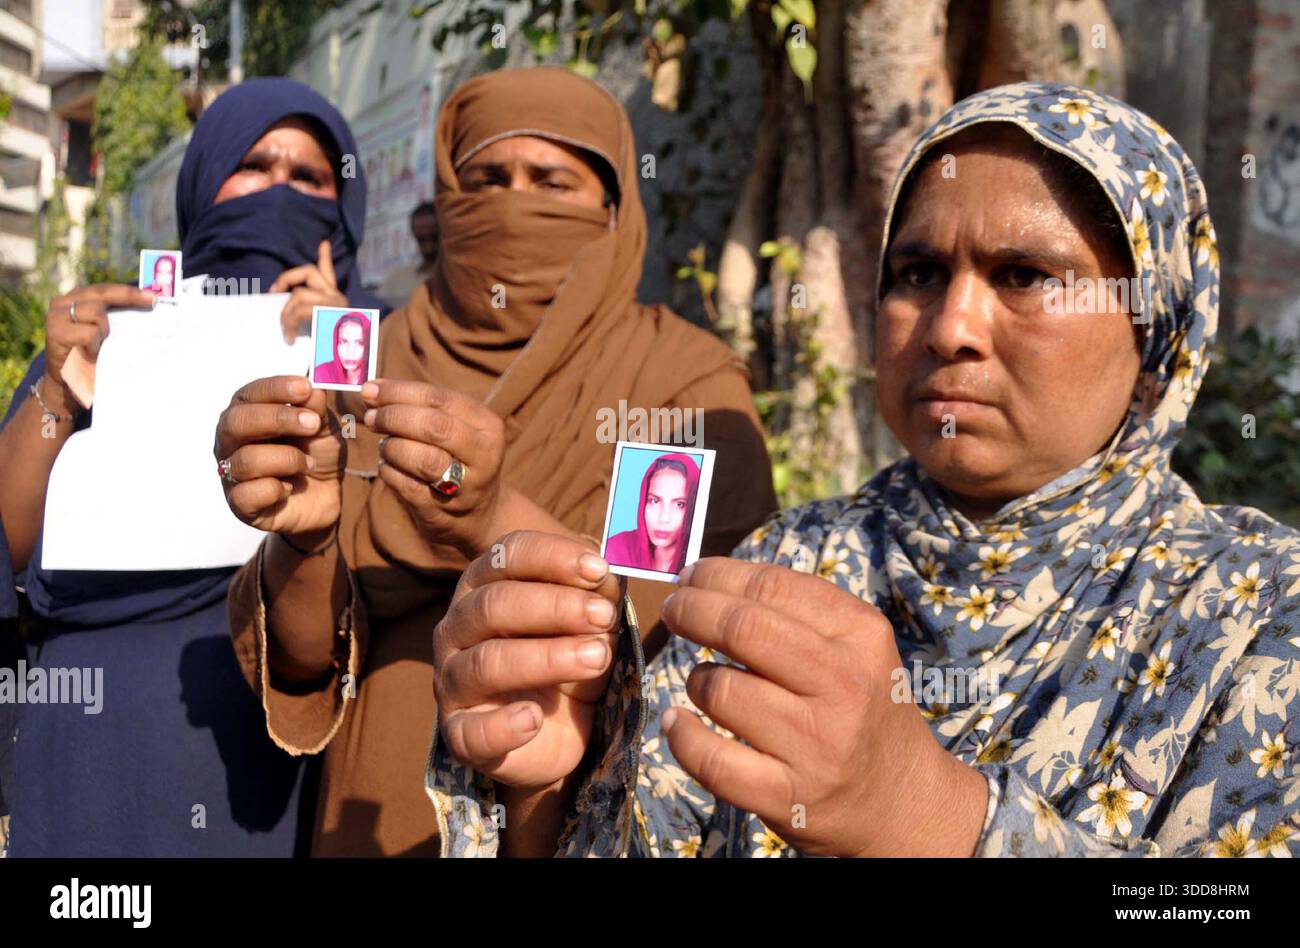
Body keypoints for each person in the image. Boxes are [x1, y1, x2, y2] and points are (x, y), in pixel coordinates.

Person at [427, 82, 1300, 858]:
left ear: (1156, 328)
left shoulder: (1256, 617)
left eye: (1026, 275)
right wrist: (551, 790)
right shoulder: (791, 565)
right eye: (918, 271)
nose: (951, 326)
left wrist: (928, 817)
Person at [213, 66, 777, 857]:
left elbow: (665, 652)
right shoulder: (373, 358)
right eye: (487, 179)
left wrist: (490, 519)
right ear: (448, 201)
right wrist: (302, 544)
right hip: (368, 811)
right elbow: (305, 665)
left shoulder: (678, 383)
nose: (514, 204)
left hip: (579, 824)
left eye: (552, 182)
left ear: (614, 211)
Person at [0, 77, 382, 856]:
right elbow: (6, 545)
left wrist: (344, 362)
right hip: (86, 756)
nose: (279, 190)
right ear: (205, 183)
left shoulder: (380, 346)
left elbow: (391, 557)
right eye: (253, 166)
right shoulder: (113, 341)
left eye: (308, 177)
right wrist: (58, 388)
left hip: (267, 763)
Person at [605, 453, 700, 574]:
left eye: (679, 504)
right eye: (654, 501)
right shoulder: (615, 550)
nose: (663, 518)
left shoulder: (700, 563)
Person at [377, 201, 438, 311]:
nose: (429, 248)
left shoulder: (458, 280)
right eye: (421, 240)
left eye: (435, 238)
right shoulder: (396, 279)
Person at [314, 311, 372, 386]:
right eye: (343, 342)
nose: (350, 352)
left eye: (359, 343)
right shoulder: (321, 374)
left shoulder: (377, 374)